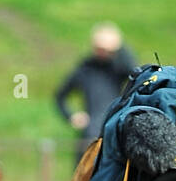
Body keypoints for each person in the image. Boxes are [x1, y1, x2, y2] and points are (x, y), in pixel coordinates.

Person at [54, 23, 137, 158]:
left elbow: (135, 74)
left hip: (112, 132)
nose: (103, 52)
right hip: (89, 134)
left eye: (108, 49)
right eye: (100, 48)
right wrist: (71, 116)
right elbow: (60, 96)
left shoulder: (118, 68)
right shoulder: (85, 69)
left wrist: (119, 47)